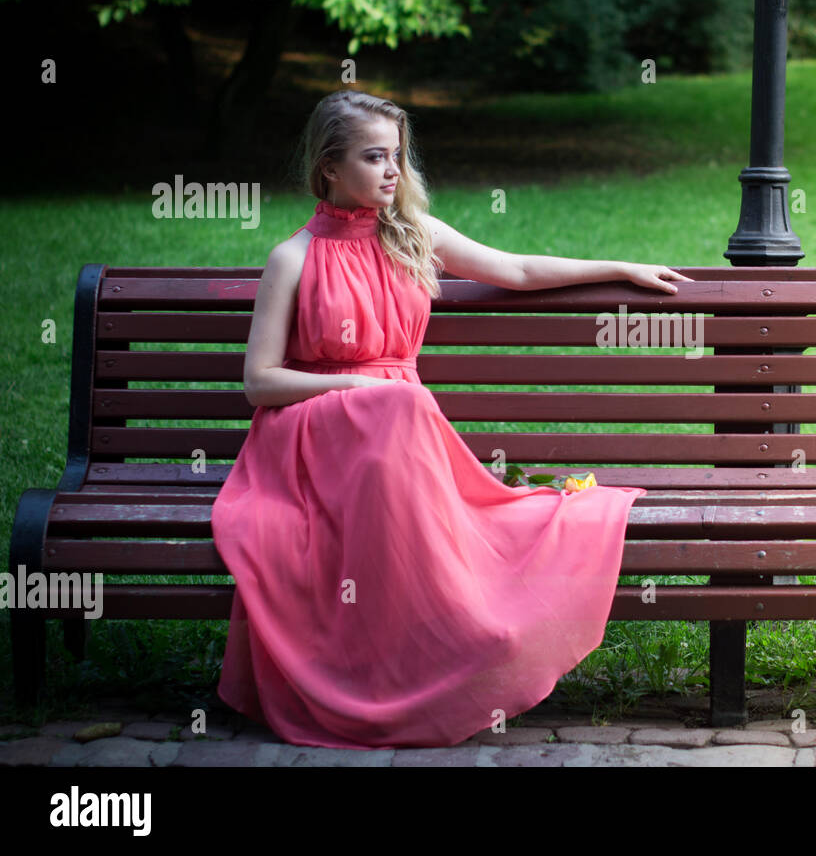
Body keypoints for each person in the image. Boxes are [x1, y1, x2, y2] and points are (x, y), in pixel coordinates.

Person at [210, 90, 692, 749]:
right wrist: (360, 386)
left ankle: (462, 640)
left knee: (410, 416)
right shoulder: (292, 258)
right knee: (400, 404)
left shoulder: (415, 237)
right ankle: (394, 664)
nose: (392, 172)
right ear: (328, 167)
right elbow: (258, 381)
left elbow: (516, 269)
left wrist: (619, 267)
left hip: (401, 438)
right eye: (374, 157)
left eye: (398, 158)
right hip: (314, 434)